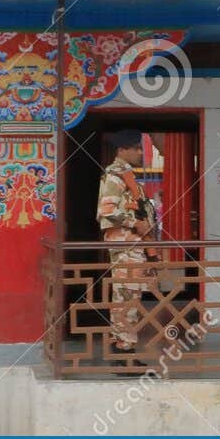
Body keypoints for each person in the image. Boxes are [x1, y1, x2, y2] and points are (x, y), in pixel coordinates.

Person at [96, 130, 155, 356]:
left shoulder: (126, 175)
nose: (140, 152)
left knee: (127, 295)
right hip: (126, 244)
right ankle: (125, 350)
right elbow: (107, 211)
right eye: (136, 148)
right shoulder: (114, 176)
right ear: (122, 150)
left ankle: (122, 345)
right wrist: (135, 224)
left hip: (132, 244)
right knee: (127, 296)